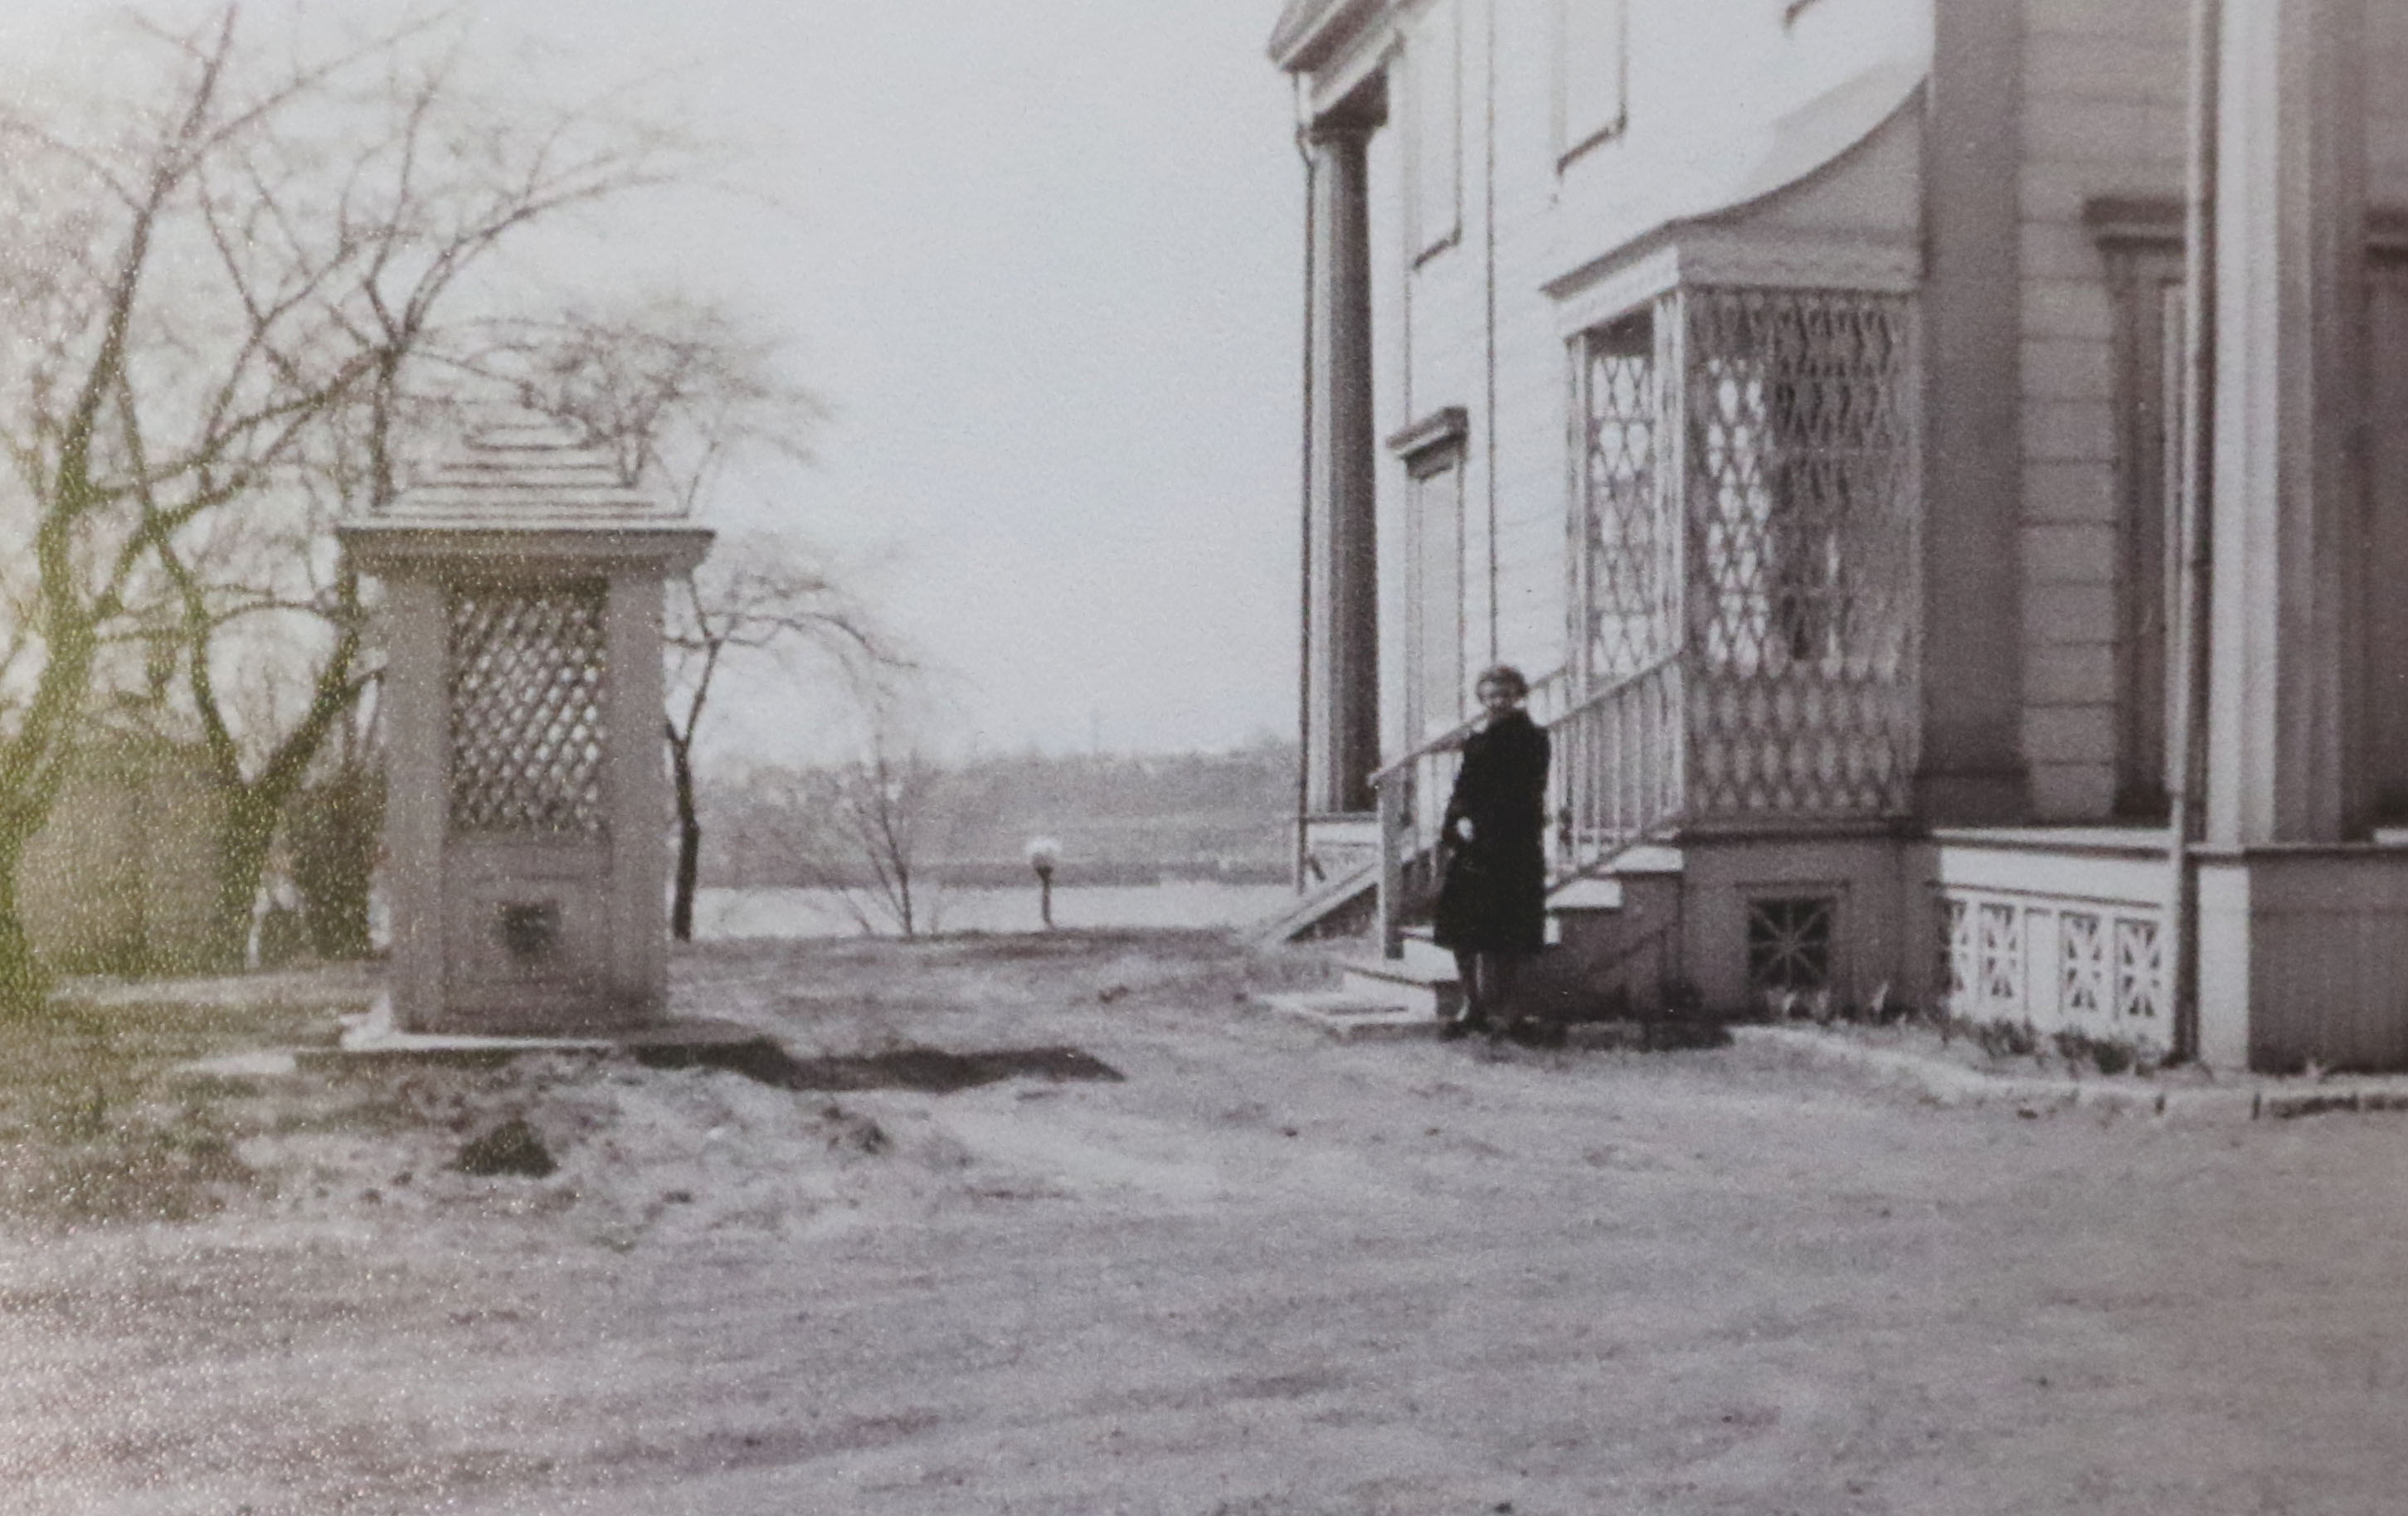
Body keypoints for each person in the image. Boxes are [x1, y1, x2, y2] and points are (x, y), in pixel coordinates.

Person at [1432, 664, 1550, 1042]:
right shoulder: (1477, 740)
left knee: (1512, 931)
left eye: (1505, 694)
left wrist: (1484, 817)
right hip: (1474, 848)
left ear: (1518, 695)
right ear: (1482, 699)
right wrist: (1458, 819)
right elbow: (1463, 788)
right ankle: (1473, 1005)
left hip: (1512, 844)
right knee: (1463, 927)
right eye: (1490, 695)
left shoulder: (1532, 738)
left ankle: (1509, 1010)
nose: (1497, 702)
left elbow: (1524, 791)